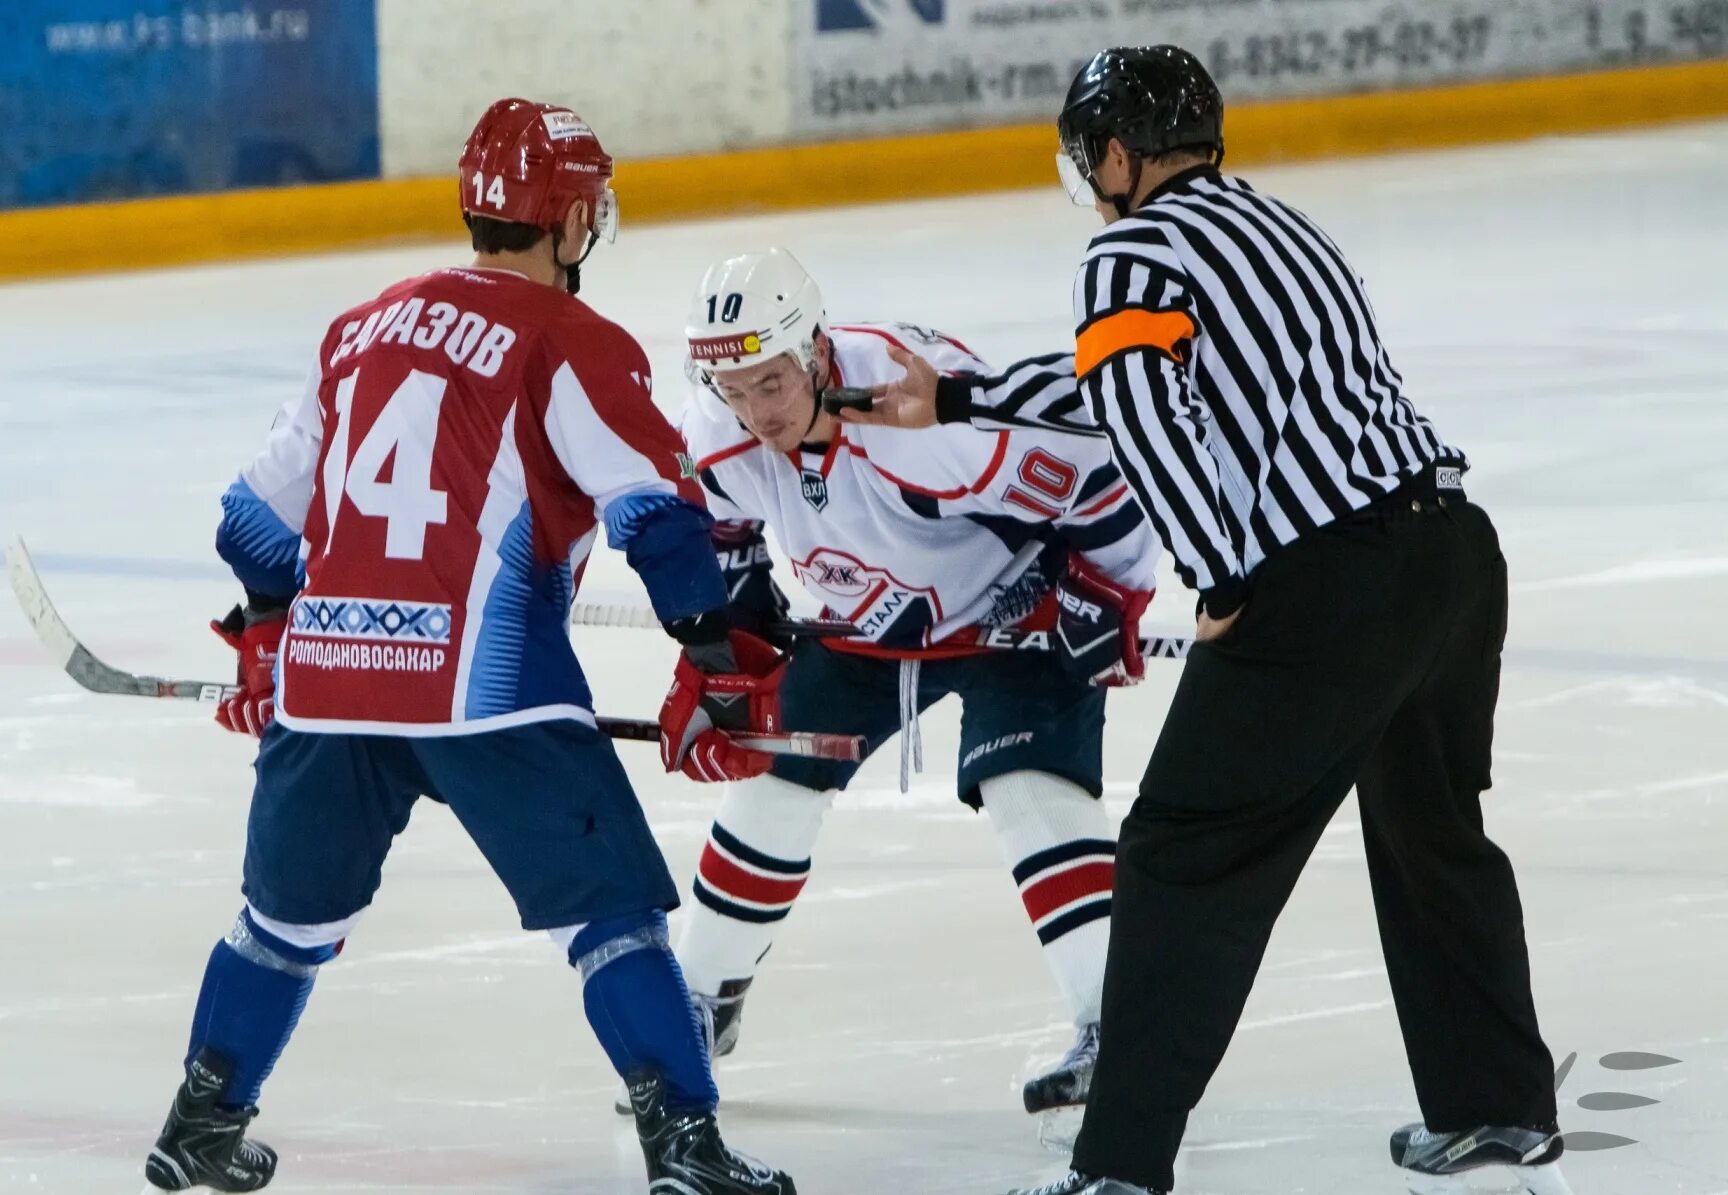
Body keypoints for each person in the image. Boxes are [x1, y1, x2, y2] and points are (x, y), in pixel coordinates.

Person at [845, 46, 1568, 1195]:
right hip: (1451, 562)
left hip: (1323, 588)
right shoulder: (1276, 227)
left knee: (1182, 856)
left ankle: (1118, 1166)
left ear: (1122, 156)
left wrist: (1219, 577)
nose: (1091, 176)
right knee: (1435, 835)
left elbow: (1142, 413)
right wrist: (965, 398)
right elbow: (1132, 377)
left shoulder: (1129, 248)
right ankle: (1497, 1106)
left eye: (1095, 155)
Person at [145, 99, 793, 1195]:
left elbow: (250, 523)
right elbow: (655, 515)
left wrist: (267, 637)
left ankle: (198, 1122)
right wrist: (715, 659)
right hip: (486, 687)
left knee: (283, 921)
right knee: (612, 918)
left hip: (330, 684)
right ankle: (684, 1144)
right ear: (571, 218)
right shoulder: (570, 339)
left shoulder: (360, 328)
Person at [648, 247, 1162, 1122]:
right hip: (870, 612)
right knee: (775, 769)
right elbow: (724, 519)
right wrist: (732, 632)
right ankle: (700, 1000)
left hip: (1020, 603)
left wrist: (1109, 593)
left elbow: (1106, 481)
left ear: (814, 351)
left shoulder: (920, 420)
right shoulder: (719, 424)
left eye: (770, 384)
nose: (753, 412)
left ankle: (1117, 1025)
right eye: (733, 391)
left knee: (1026, 783)